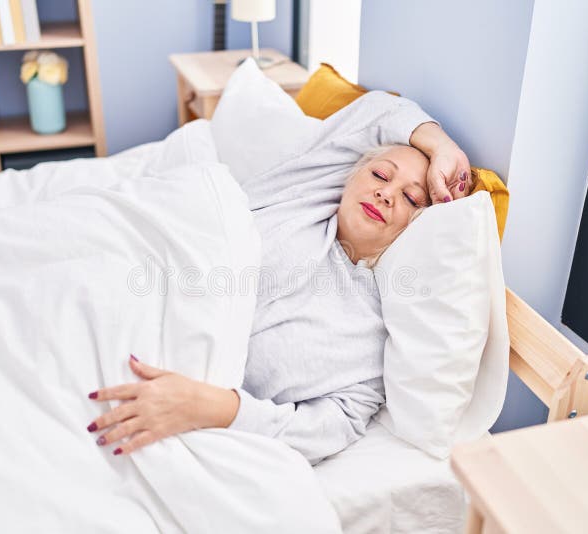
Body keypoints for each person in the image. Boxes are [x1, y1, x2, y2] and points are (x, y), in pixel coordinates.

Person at [85, 92, 472, 464]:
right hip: (121, 296)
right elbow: (380, 113)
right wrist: (441, 148)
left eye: (411, 198)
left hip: (168, 392)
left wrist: (215, 407)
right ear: (350, 176)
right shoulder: (299, 193)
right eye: (380, 174)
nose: (387, 193)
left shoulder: (370, 334)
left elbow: (332, 426)